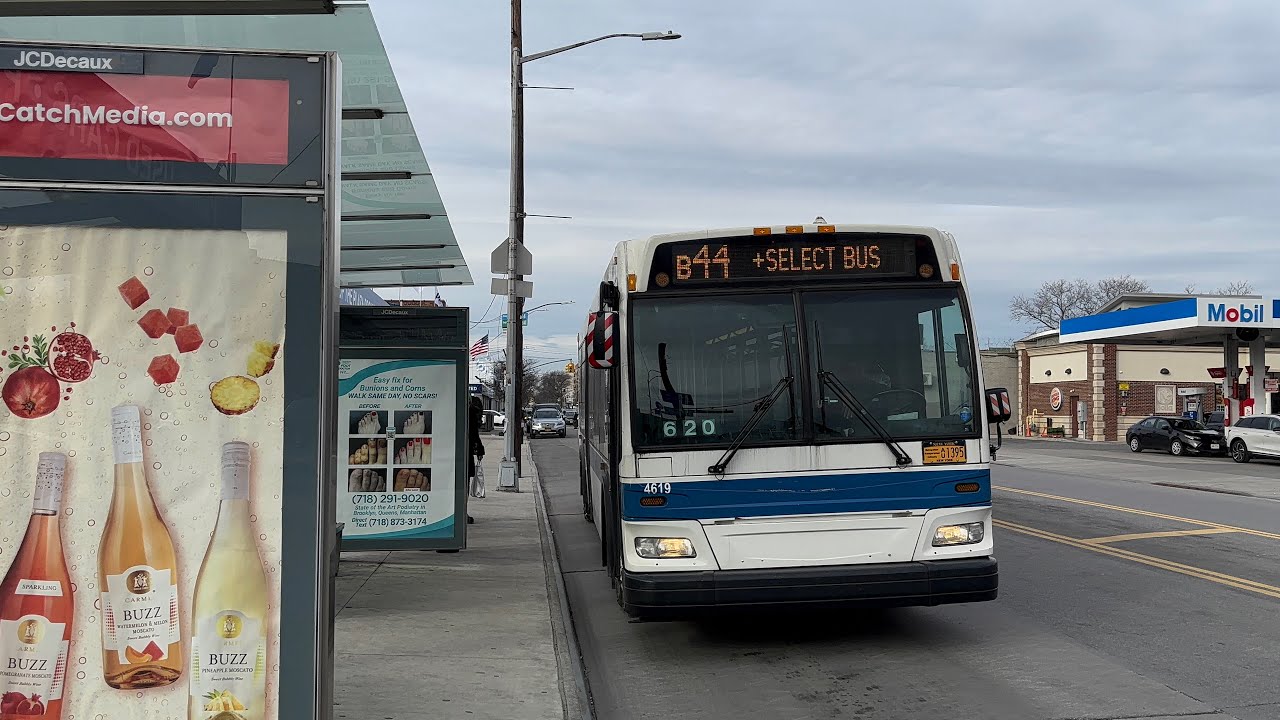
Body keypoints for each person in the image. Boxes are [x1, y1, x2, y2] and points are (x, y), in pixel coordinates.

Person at [467, 396, 484, 524]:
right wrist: (479, 449)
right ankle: (462, 510)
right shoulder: (471, 412)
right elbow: (474, 433)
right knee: (464, 483)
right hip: (465, 453)